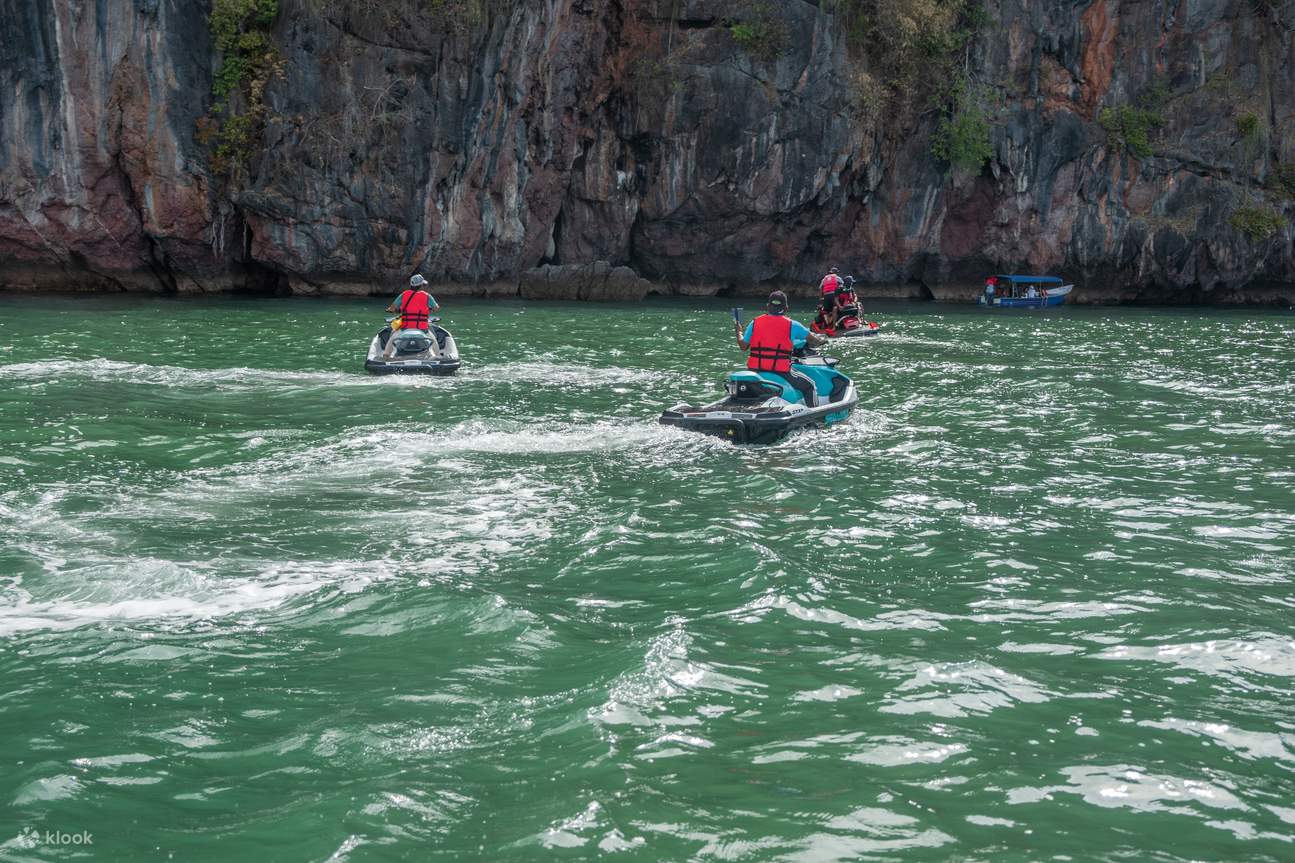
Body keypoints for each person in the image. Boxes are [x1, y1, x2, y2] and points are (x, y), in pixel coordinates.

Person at [735, 290, 826, 405]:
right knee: (810, 386)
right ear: (786, 308)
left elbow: (743, 346)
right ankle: (813, 418)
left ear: (768, 306)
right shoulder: (793, 324)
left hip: (755, 370)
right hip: (781, 371)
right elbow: (814, 340)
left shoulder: (755, 323)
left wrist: (738, 332)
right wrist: (823, 339)